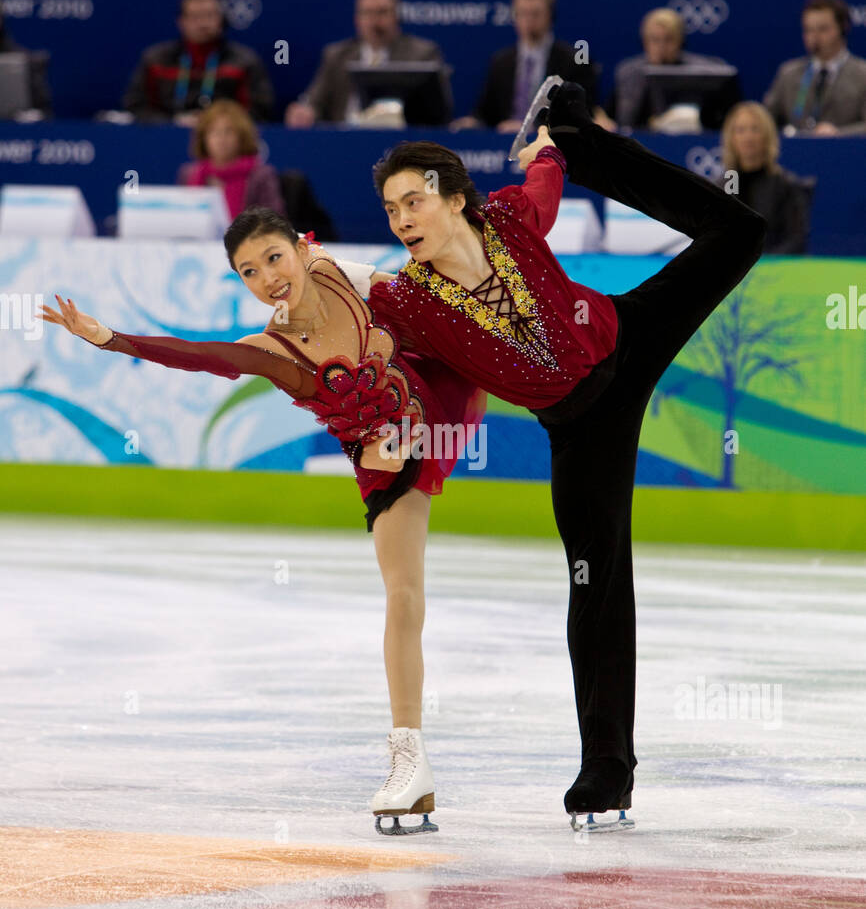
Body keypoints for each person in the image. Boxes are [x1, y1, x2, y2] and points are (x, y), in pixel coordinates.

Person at [366, 83, 766, 827]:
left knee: (741, 232)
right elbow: (345, 312)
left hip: (628, 333)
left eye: (412, 200)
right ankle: (607, 768)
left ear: (454, 198)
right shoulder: (405, 302)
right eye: (390, 210)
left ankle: (590, 137)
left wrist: (559, 143)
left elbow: (543, 175)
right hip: (581, 427)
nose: (401, 219)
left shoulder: (512, 219)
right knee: (596, 578)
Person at [38, 211, 486, 836]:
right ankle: (409, 759)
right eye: (249, 271)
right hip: (386, 450)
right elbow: (199, 356)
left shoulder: (334, 271)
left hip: (448, 378)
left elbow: (420, 288)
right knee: (403, 594)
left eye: (274, 258)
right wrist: (112, 338)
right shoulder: (273, 352)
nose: (268, 277)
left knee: (498, 337)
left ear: (300, 250)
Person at [284, 0, 452, 128]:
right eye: (367, 13)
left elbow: (438, 111)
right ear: (357, 19)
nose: (375, 21)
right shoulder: (336, 55)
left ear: (396, 16)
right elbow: (314, 101)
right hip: (345, 141)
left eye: (382, 12)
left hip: (402, 144)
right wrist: (305, 111)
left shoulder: (422, 54)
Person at [461, 0, 610, 132]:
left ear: (550, 16)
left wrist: (533, 128)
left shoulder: (574, 60)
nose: (529, 20)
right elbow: (486, 111)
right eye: (523, 13)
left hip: (551, 144)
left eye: (536, 14)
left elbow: (579, 115)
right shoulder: (501, 61)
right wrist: (474, 122)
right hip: (504, 142)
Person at [122, 0, 275, 124]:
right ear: (181, 21)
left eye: (209, 15)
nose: (202, 23)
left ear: (222, 20)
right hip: (165, 136)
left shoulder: (245, 61)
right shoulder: (155, 59)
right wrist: (173, 121)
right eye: (195, 16)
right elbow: (136, 106)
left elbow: (260, 110)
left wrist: (217, 124)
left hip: (227, 141)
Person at [609, 6, 741, 131]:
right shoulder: (628, 74)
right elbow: (613, 116)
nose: (661, 46)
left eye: (669, 39)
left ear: (681, 41)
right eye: (655, 39)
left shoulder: (706, 73)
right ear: (644, 41)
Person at [763, 0, 866, 136]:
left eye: (823, 29)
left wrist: (838, 133)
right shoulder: (788, 73)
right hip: (796, 153)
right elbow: (764, 120)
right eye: (808, 30)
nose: (814, 37)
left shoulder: (862, 74)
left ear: (843, 28)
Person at [720, 102, 812, 253]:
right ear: (731, 137)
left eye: (755, 129)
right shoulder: (727, 183)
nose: (748, 137)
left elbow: (796, 240)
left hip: (776, 268)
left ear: (767, 136)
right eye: (740, 130)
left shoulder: (784, 185)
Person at [177, 100, 285, 217]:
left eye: (228, 132)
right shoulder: (189, 173)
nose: (221, 139)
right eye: (214, 132)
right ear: (203, 138)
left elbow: (274, 221)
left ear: (242, 137)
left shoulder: (260, 175)